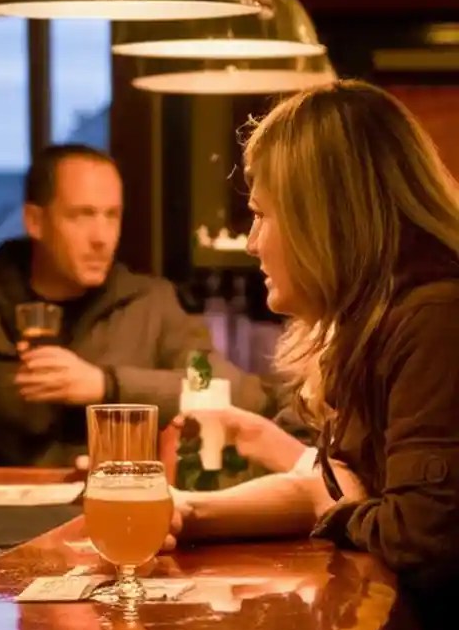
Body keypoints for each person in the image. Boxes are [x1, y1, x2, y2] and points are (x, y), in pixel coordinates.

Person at [169, 80, 459, 598]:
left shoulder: (436, 318)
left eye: (261, 215)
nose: (253, 244)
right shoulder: (374, 320)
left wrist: (343, 511)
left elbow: (421, 537)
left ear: (323, 219)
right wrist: (183, 511)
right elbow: (330, 485)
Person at [0, 144, 273, 468]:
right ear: (35, 221)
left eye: (112, 216)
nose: (102, 237)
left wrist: (105, 385)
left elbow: (231, 393)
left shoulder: (151, 303)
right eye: (82, 216)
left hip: (118, 506)